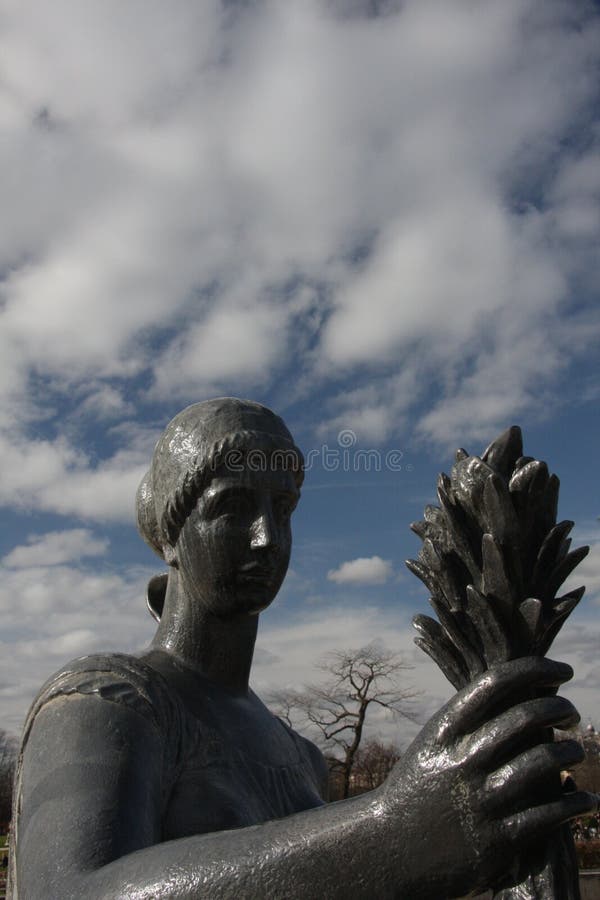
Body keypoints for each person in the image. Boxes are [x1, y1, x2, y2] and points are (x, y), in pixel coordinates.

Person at [8, 399, 595, 899]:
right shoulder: (107, 702)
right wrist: (391, 833)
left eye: (282, 510)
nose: (267, 537)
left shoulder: (301, 756)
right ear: (171, 536)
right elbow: (71, 891)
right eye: (231, 508)